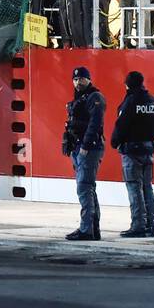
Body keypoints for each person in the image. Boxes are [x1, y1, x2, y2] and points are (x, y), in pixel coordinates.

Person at [109, 70, 154, 237]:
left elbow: (121, 126)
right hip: (148, 149)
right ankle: (150, 224)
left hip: (132, 151)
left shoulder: (130, 102)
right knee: (147, 187)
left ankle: (138, 225)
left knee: (134, 187)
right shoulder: (153, 101)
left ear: (127, 85)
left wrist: (114, 142)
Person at [62, 66, 106, 241]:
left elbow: (95, 124)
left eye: (81, 79)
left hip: (88, 148)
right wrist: (67, 140)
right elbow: (73, 122)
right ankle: (92, 229)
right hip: (79, 146)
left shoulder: (95, 97)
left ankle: (87, 229)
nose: (77, 82)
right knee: (88, 187)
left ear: (89, 79)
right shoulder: (80, 98)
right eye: (75, 79)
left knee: (84, 187)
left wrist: (85, 146)